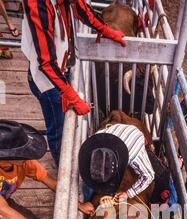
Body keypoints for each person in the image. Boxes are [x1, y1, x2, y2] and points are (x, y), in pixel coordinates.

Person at [22, 0, 126, 166]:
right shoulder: (37, 4)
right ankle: (61, 164)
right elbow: (46, 62)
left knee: (61, 122)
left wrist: (105, 30)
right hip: (47, 81)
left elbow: (81, 8)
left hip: (60, 69)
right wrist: (71, 95)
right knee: (58, 129)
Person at [0, 120, 93, 219]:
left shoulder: (24, 162)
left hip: (3, 199)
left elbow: (50, 181)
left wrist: (77, 204)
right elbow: (3, 211)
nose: (28, 157)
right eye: (23, 154)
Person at [79, 123, 155, 204]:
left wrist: (128, 193)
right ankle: (86, 198)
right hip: (123, 131)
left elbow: (149, 175)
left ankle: (86, 200)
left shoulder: (134, 154)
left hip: (131, 137)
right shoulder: (96, 140)